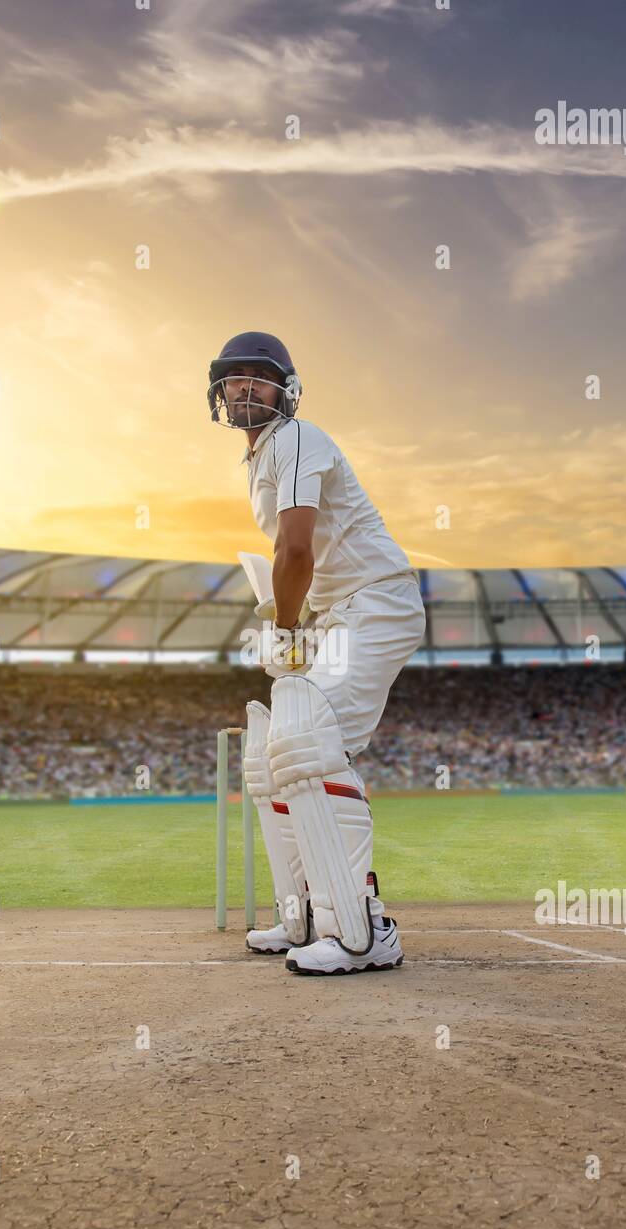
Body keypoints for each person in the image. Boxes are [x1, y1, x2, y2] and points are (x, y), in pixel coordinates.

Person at [208, 332, 426, 976]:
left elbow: (296, 551)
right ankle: (304, 912)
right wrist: (297, 623)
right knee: (277, 758)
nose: (245, 386)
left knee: (315, 745)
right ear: (219, 392)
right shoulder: (259, 461)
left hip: (375, 599)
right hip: (337, 613)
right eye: (234, 377)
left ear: (286, 389)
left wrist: (282, 628)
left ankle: (363, 928)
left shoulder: (299, 437)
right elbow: (291, 558)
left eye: (259, 376)